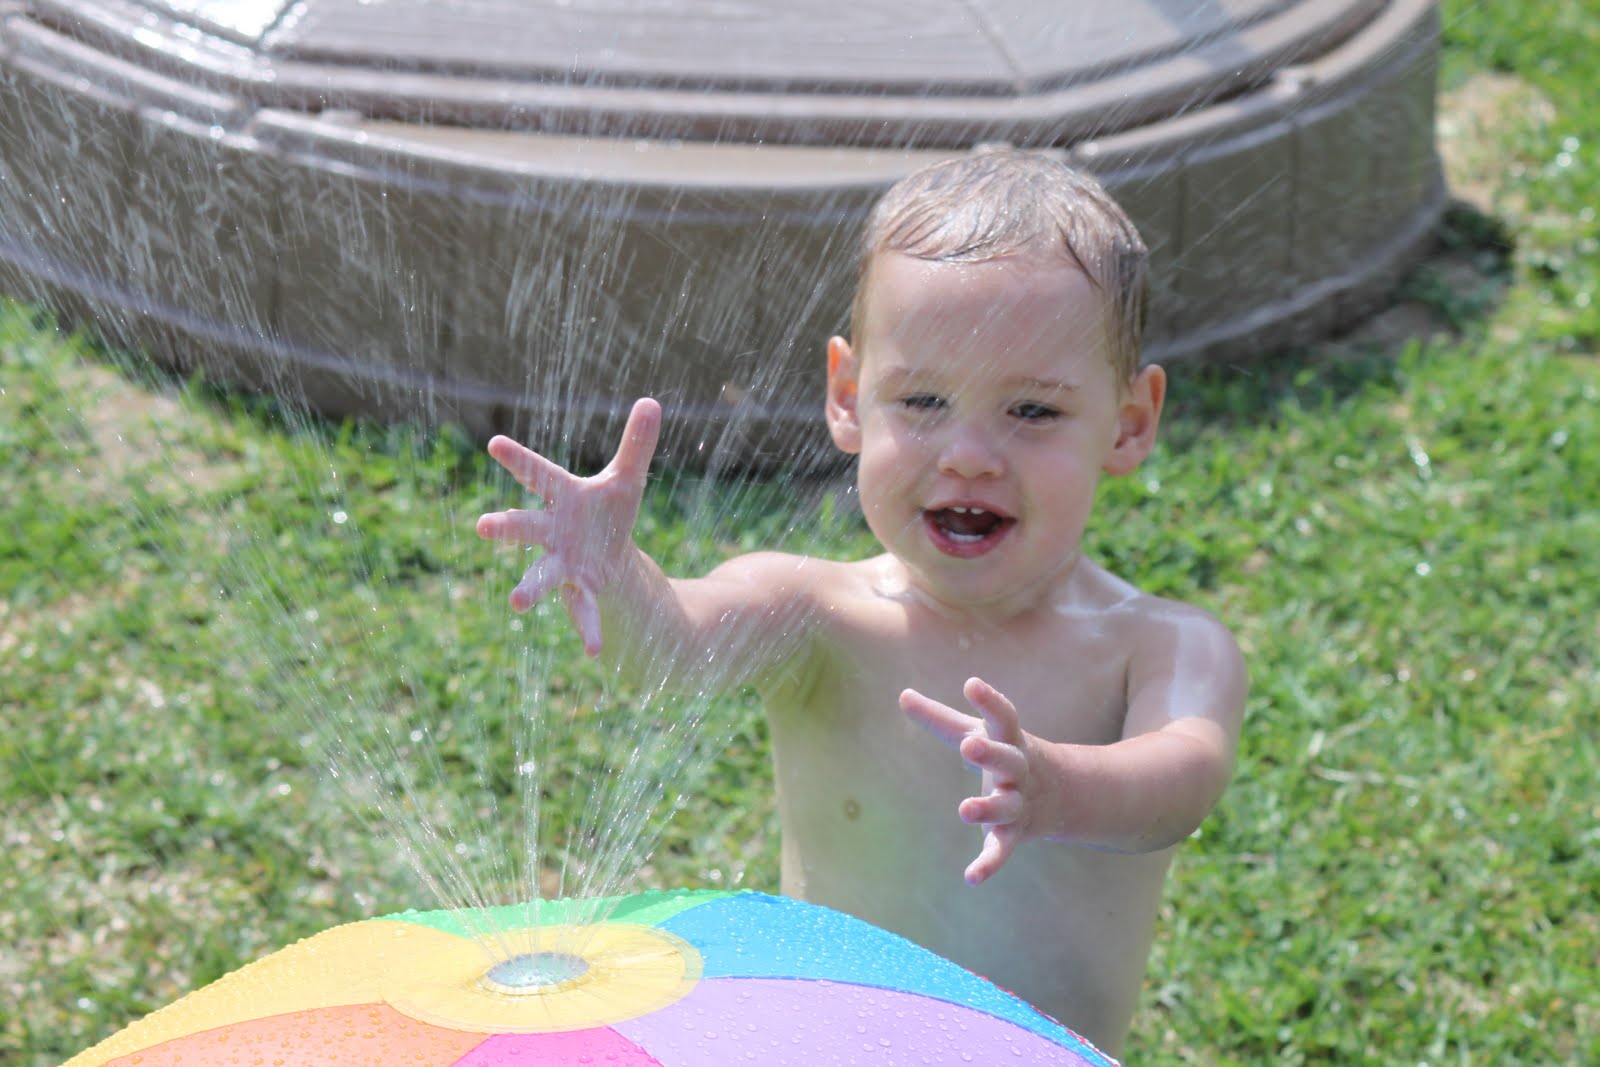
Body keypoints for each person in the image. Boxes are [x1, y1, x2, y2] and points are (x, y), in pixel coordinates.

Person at [475, 146, 1246, 1058]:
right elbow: (671, 651)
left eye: (1032, 412)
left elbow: (1184, 779)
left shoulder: (1158, 646)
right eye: (921, 399)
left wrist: (1059, 788)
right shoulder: (814, 610)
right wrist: (617, 570)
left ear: (1129, 421)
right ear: (848, 396)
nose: (968, 453)